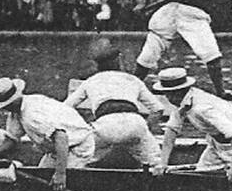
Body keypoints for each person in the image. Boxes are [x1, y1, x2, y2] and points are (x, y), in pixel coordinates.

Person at [65, 39, 165, 170]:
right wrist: (145, 127)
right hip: (135, 123)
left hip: (105, 127)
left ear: (98, 66)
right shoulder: (133, 80)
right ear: (119, 63)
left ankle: (71, 175)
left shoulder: (91, 81)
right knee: (156, 162)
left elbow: (66, 107)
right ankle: (159, 172)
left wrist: (82, 129)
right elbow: (158, 109)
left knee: (77, 162)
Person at [150, 67, 232, 181]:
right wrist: (163, 163)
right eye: (166, 94)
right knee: (201, 174)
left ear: (181, 91)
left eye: (171, 94)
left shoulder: (201, 108)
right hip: (217, 143)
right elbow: (171, 132)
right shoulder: (182, 104)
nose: (169, 98)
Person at [0, 77, 95, 191]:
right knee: (40, 180)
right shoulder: (16, 113)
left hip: (78, 146)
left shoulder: (32, 113)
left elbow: (61, 137)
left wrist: (60, 174)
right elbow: (10, 140)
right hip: (57, 149)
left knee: (62, 186)